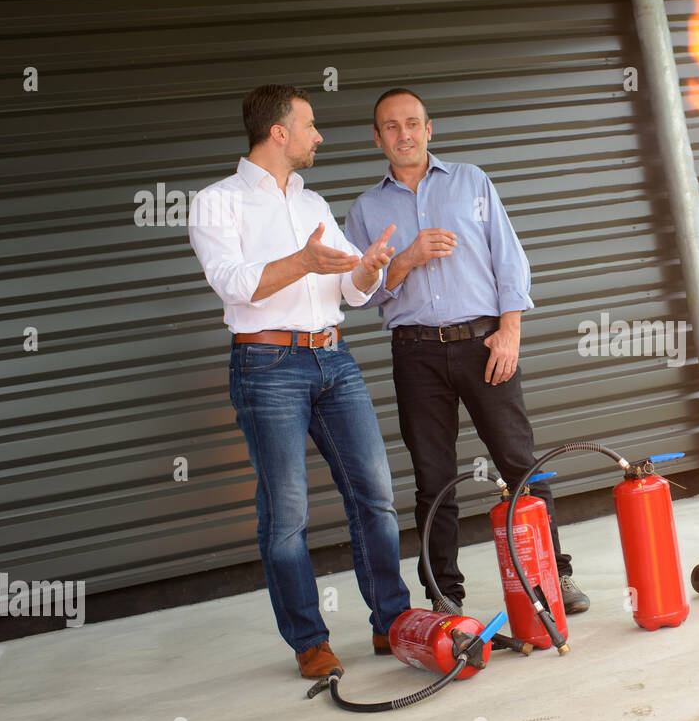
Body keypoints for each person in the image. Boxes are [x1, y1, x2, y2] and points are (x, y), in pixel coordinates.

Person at [187, 83, 412, 679]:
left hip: (333, 360)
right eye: (310, 125)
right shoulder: (217, 202)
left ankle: (393, 622)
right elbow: (236, 282)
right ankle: (309, 641)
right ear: (279, 133)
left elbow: (349, 292)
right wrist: (305, 263)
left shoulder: (313, 206)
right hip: (266, 369)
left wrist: (368, 268)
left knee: (376, 497)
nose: (320, 136)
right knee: (286, 513)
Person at [343, 88, 589, 617]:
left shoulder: (472, 181)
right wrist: (404, 260)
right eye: (391, 126)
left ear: (429, 129)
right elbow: (360, 293)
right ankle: (444, 594)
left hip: (484, 344)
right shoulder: (365, 210)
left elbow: (510, 258)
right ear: (377, 136)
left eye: (412, 123)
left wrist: (511, 331)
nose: (403, 134)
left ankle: (552, 576)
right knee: (433, 478)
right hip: (415, 355)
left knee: (520, 462)